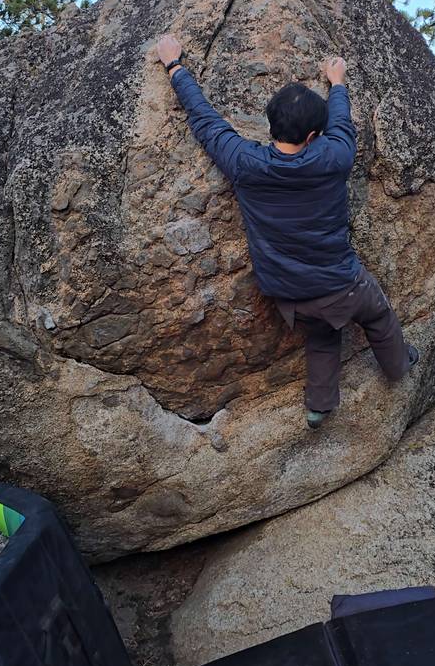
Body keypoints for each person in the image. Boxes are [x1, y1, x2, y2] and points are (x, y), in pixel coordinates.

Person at [156, 35, 419, 430]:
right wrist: (337, 84)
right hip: (342, 284)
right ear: (313, 137)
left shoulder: (244, 162)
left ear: (271, 124)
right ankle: (398, 365)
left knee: (322, 335)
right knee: (379, 314)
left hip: (290, 294)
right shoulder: (334, 157)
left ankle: (319, 406)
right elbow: (342, 125)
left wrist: (175, 67)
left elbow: (205, 121)